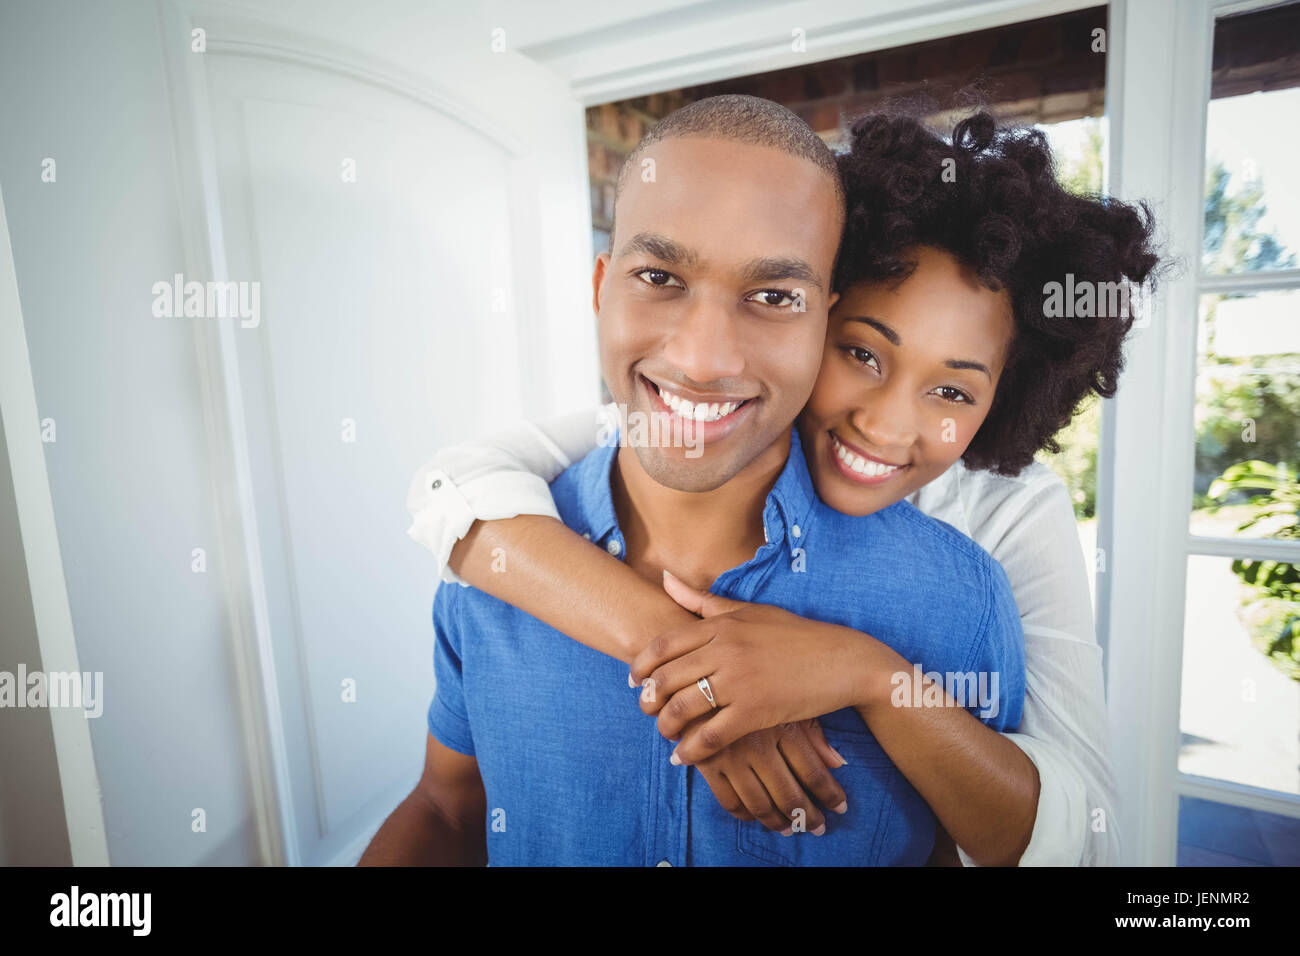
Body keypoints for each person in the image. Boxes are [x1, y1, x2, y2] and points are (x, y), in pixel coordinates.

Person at [393, 104, 1161, 866]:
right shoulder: (514, 539)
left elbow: (1071, 839)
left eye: (771, 296)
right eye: (864, 354)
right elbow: (459, 490)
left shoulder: (978, 566)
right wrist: (687, 662)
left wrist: (870, 677)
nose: (701, 358)